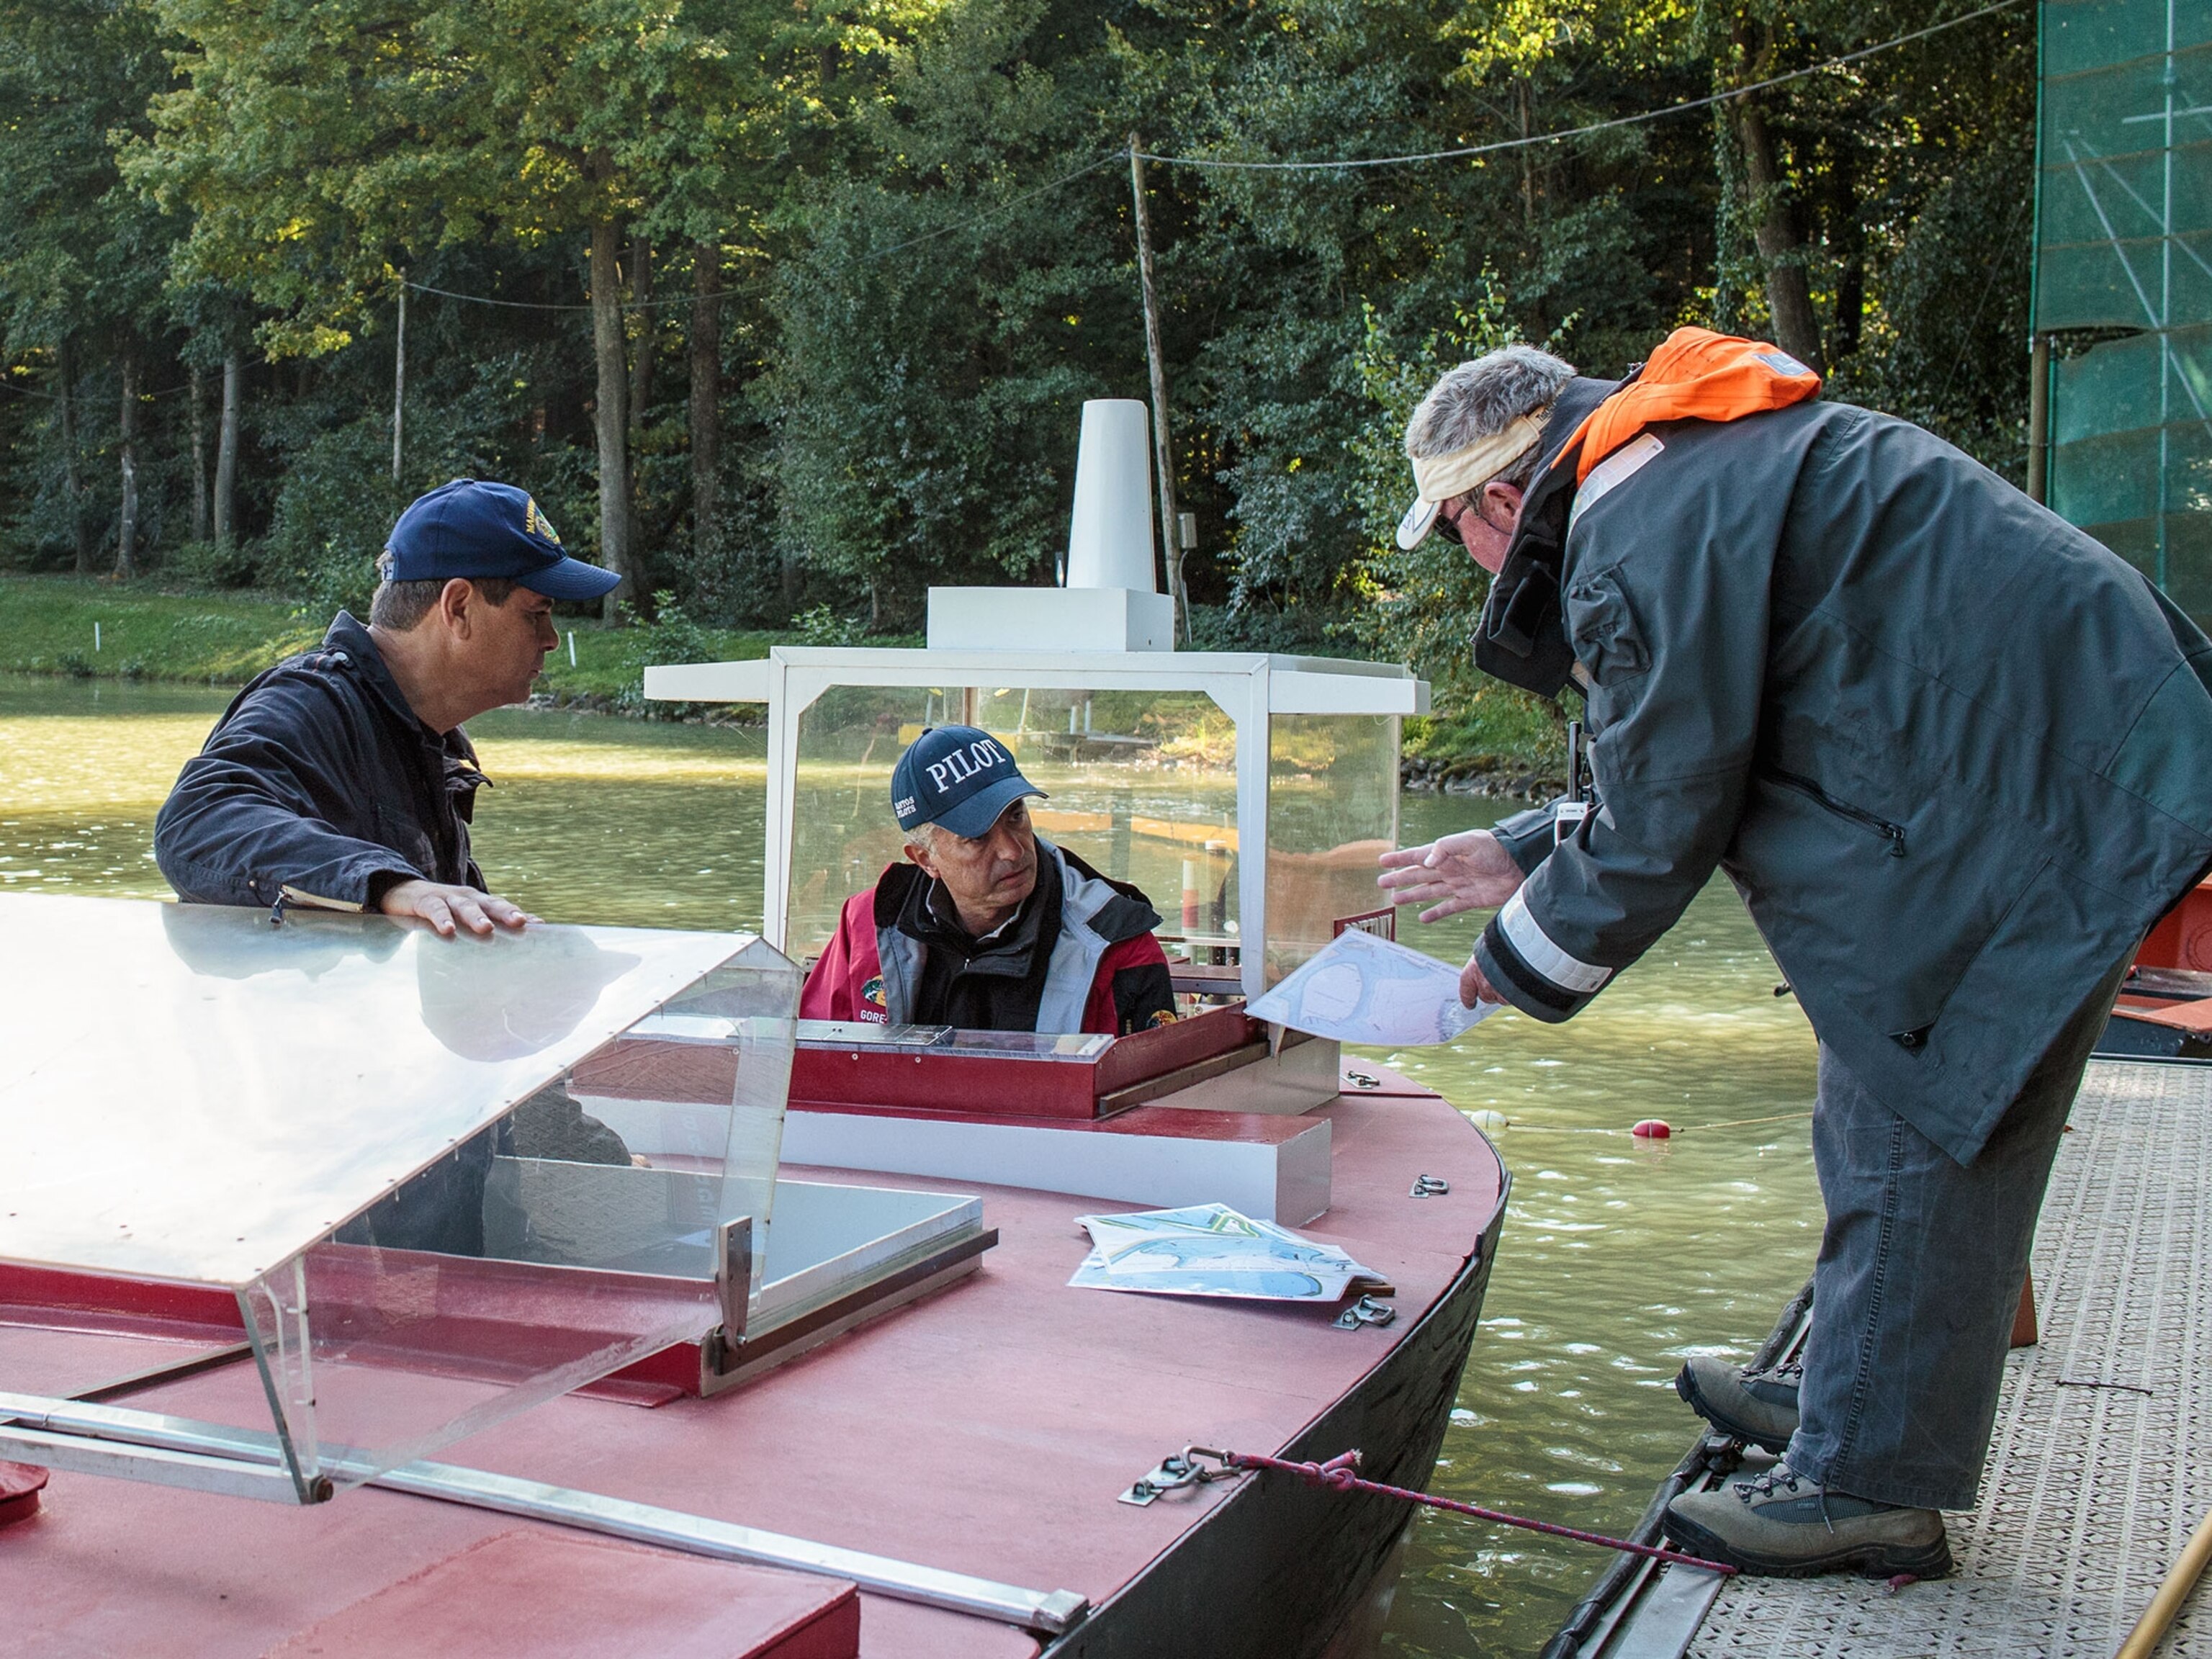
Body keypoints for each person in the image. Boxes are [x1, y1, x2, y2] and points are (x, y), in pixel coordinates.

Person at [1377, 329, 2212, 1578]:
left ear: (1501, 495)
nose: (1468, 559)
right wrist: (1525, 848)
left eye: (1454, 530)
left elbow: (1665, 816)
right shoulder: (1685, 462)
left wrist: (1508, 961)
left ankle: (1866, 1481)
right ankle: (1851, 1386)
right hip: (2036, 758)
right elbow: (1729, 735)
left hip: (2031, 795)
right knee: (1871, 1091)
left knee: (1918, 1099)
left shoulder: (1637, 526)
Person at [155, 478, 619, 938]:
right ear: (457, 608)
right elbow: (197, 821)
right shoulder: (311, 700)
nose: (552, 638)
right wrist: (391, 885)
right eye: (536, 613)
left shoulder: (419, 734)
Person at [801, 724, 1179, 1035]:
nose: (1013, 851)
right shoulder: (867, 923)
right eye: (977, 837)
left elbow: (1150, 1098)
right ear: (925, 859)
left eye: (1015, 816)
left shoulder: (1115, 940)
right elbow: (812, 1059)